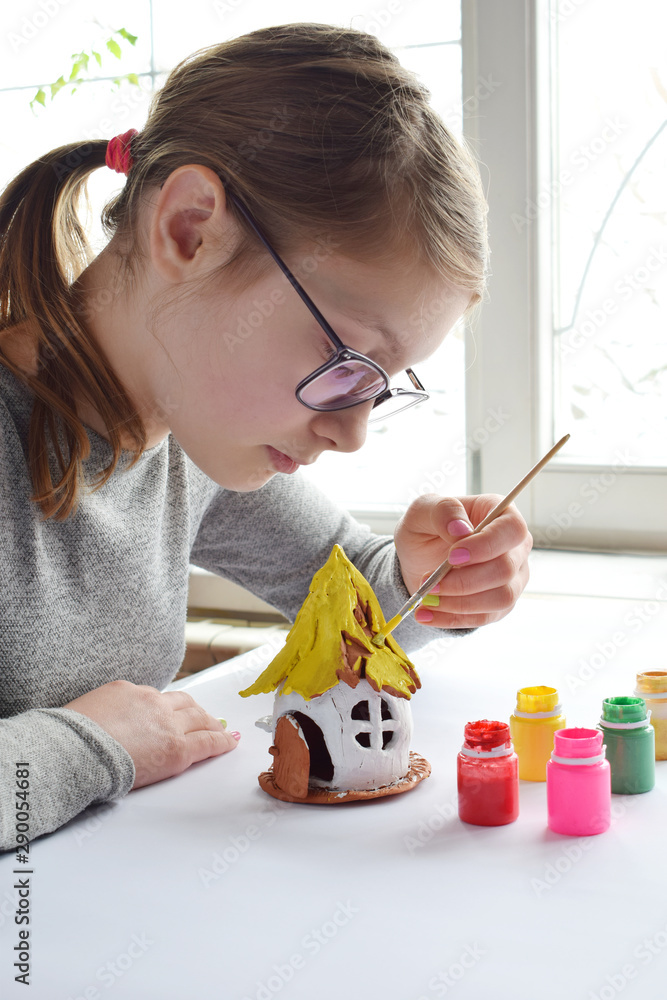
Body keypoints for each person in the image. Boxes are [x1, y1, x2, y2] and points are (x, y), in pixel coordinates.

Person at [0, 23, 532, 851]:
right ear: (189, 230)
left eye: (380, 386)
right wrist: (90, 748)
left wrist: (429, 577)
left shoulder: (183, 437)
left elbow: (357, 594)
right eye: (345, 359)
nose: (352, 433)